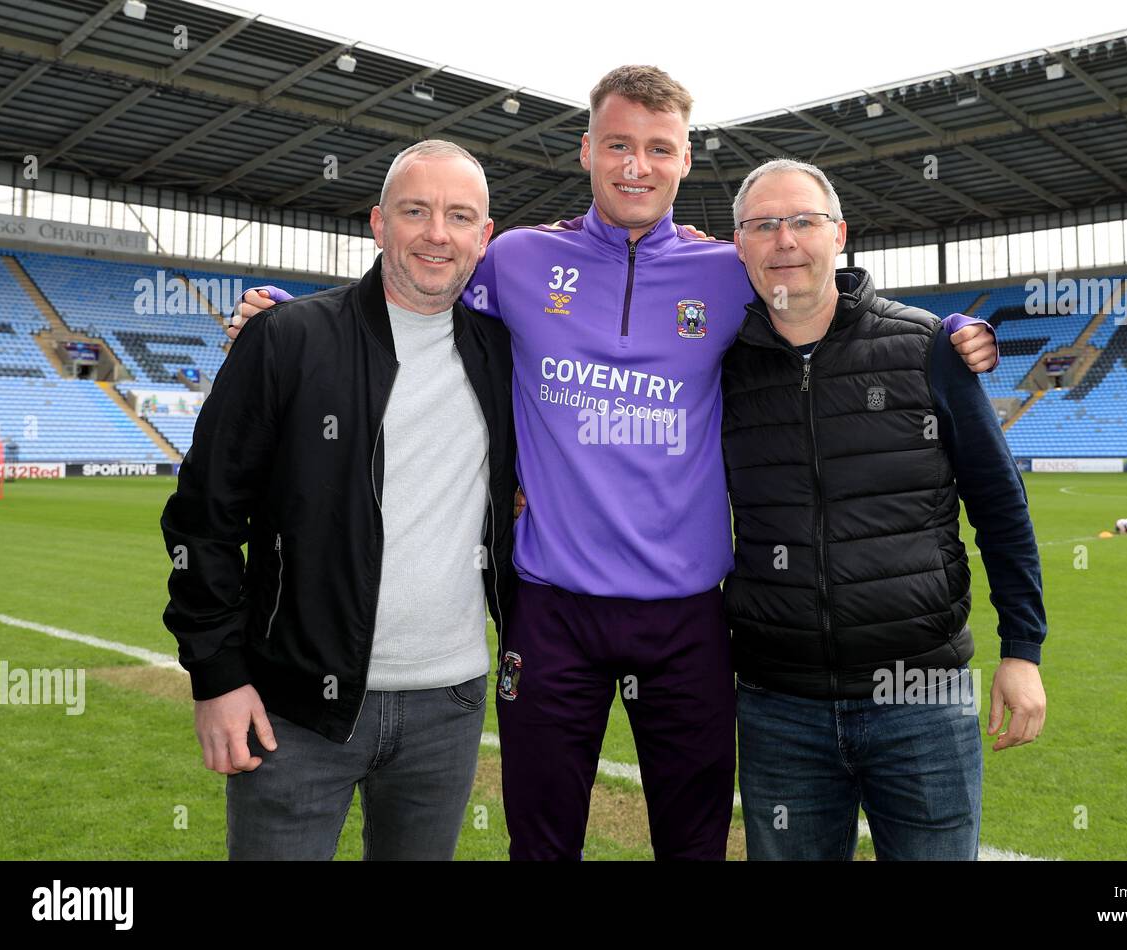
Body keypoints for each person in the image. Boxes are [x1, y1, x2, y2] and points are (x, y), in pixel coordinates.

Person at [228, 65, 999, 861]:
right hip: (553, 610)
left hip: (689, 616)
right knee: (542, 842)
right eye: (620, 145)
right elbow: (417, 285)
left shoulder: (728, 271)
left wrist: (950, 335)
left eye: (658, 149)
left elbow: (827, 312)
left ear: (686, 160)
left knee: (694, 843)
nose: (637, 165)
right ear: (587, 150)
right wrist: (294, 319)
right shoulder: (519, 259)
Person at [161, 140, 518, 860]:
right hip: (293, 708)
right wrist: (217, 676)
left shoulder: (506, 352)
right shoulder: (286, 337)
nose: (436, 234)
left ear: (485, 238)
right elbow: (204, 514)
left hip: (449, 708)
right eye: (414, 211)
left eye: (459, 216)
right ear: (378, 224)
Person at [722, 158, 1047, 860]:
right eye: (763, 224)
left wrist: (1022, 651)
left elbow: (1000, 506)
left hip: (922, 697)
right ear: (738, 244)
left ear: (839, 234)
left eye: (803, 221)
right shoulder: (720, 367)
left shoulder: (927, 346)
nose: (785, 240)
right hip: (778, 703)